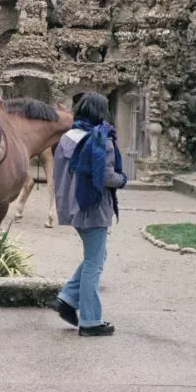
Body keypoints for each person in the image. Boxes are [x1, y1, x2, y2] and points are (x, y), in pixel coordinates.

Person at [50, 92, 127, 336]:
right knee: (95, 262)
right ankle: (91, 322)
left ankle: (67, 299)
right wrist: (122, 179)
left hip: (72, 207)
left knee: (96, 255)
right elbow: (105, 176)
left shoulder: (67, 138)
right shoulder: (99, 139)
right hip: (93, 209)